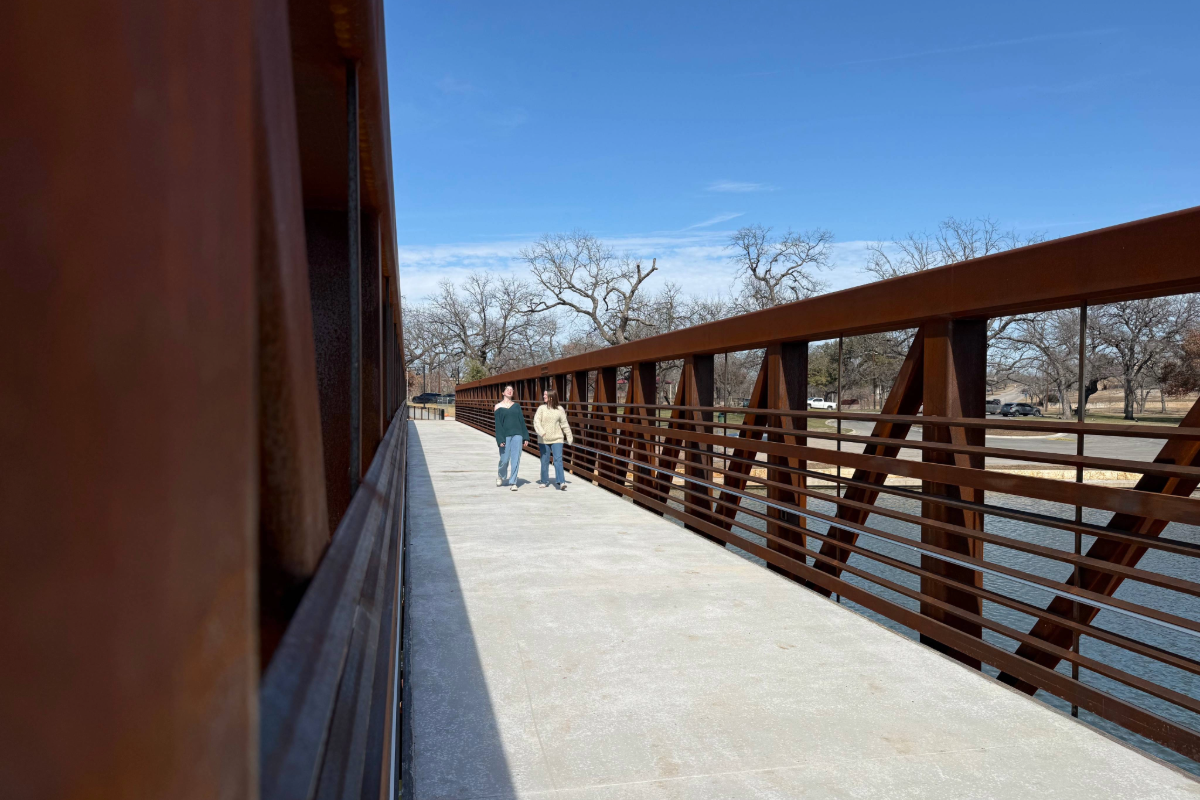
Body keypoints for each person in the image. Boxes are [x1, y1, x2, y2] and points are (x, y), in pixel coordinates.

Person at [533, 388, 573, 490]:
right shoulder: (541, 408)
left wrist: (569, 436)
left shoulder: (560, 409)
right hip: (544, 439)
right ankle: (544, 481)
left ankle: (561, 481)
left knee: (558, 459)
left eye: (545, 395)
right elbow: (536, 421)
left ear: (551, 396)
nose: (543, 396)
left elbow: (564, 424)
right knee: (544, 460)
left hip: (557, 439)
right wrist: (541, 432)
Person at [494, 385, 529, 491]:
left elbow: (522, 422)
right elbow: (498, 425)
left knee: (515, 459)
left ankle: (513, 482)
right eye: (507, 390)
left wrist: (525, 436)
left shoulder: (517, 406)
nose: (509, 391)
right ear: (503, 393)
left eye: (511, 390)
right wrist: (500, 439)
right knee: (504, 459)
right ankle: (501, 475)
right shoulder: (498, 407)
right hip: (505, 436)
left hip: (517, 435)